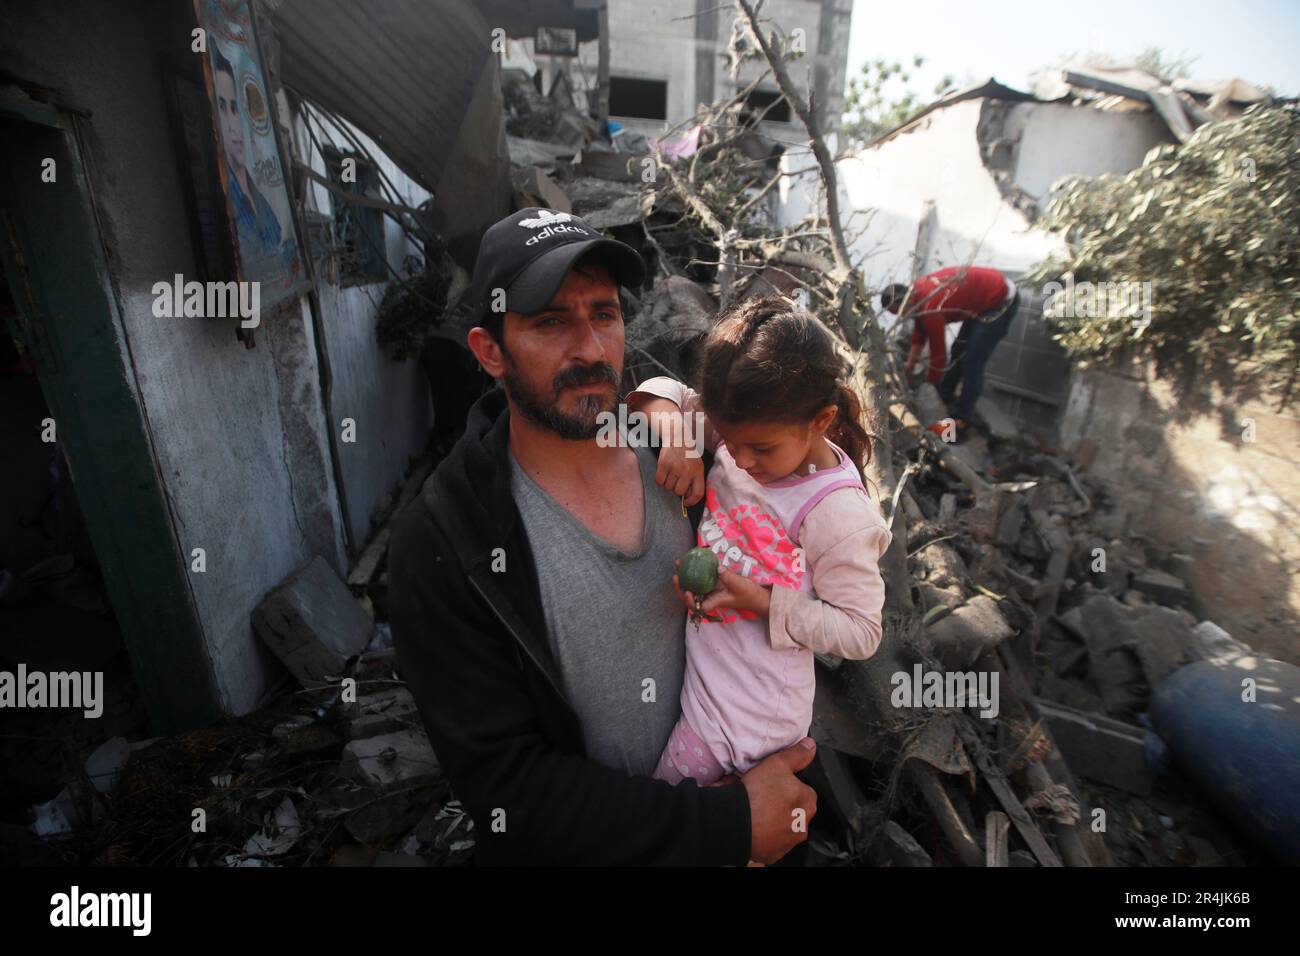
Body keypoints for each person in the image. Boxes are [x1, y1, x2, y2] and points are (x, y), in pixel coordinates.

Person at [387, 208, 818, 865]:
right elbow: (508, 787)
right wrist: (723, 823)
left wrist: (670, 403)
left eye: (604, 314)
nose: (588, 349)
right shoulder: (446, 541)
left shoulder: (686, 459)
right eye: (551, 322)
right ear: (488, 351)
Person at [625, 297, 891, 791]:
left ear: (822, 419)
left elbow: (861, 633)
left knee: (663, 813)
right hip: (711, 683)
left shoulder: (836, 515)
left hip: (747, 716)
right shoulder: (744, 434)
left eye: (760, 448)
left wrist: (760, 601)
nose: (740, 460)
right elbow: (655, 391)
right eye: (728, 438)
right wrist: (680, 439)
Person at [880, 265, 1019, 440]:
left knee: (972, 362)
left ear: (906, 301)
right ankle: (945, 396)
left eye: (900, 312)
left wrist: (930, 389)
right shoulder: (916, 293)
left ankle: (961, 421)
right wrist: (909, 365)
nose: (901, 317)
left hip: (999, 300)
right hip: (983, 296)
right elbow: (919, 332)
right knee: (958, 350)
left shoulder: (931, 305)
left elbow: (938, 355)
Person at [212, 47, 283, 259]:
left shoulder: (263, 204)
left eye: (235, 108)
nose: (233, 125)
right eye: (222, 108)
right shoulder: (226, 201)